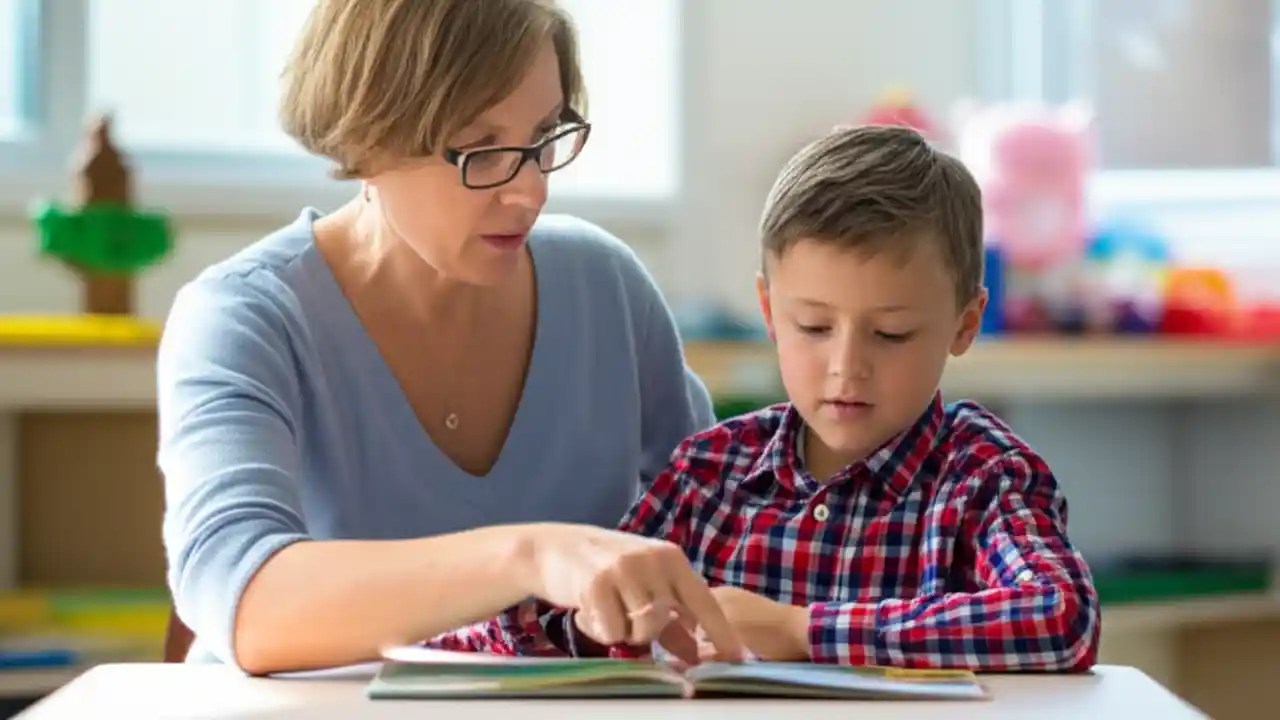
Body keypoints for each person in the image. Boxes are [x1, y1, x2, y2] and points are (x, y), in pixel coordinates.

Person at [156, 0, 745, 675]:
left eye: (543, 136)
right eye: (483, 147)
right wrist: (530, 557)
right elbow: (244, 603)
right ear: (368, 140)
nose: (530, 192)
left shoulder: (606, 286)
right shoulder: (243, 317)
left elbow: (724, 532)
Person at [433, 125, 1102, 671]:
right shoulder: (710, 473)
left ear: (964, 323)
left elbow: (1060, 618)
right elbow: (584, 612)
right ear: (767, 310)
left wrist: (801, 629)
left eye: (891, 334)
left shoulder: (981, 475)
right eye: (812, 327)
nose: (846, 368)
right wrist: (593, 621)